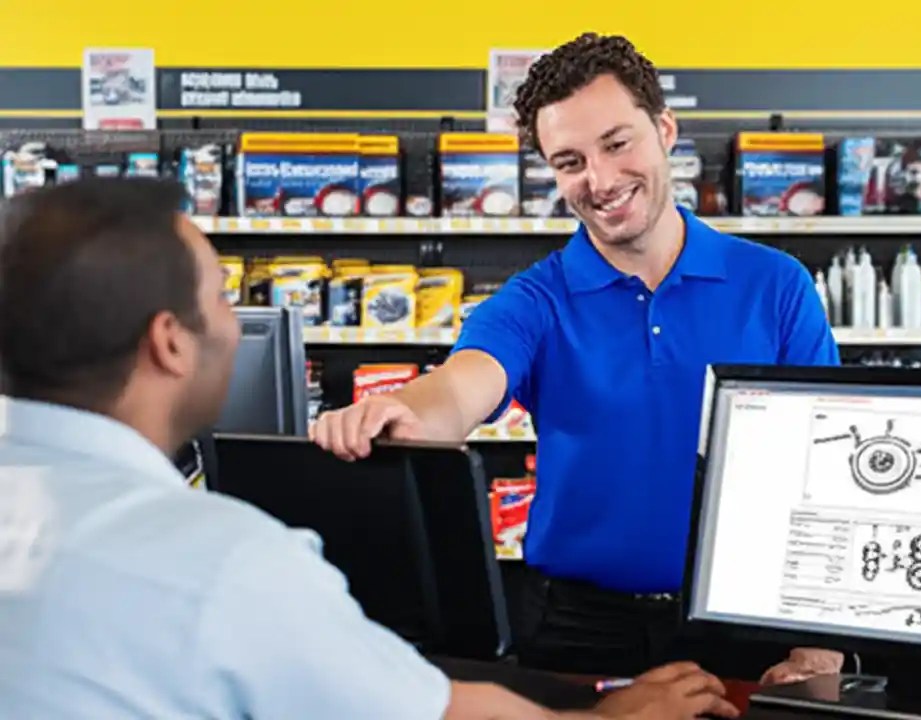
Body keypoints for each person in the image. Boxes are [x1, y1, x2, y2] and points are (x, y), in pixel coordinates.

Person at [0, 178, 738, 720]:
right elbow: (426, 713)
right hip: (580, 630)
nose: (234, 323)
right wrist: (609, 719)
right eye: (221, 297)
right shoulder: (222, 561)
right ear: (169, 342)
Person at [310, 32, 842, 679]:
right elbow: (459, 387)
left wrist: (822, 642)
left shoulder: (776, 286)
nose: (601, 180)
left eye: (618, 144)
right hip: (575, 630)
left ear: (665, 129)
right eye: (570, 161)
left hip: (745, 623)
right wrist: (397, 411)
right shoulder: (537, 300)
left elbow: (825, 474)